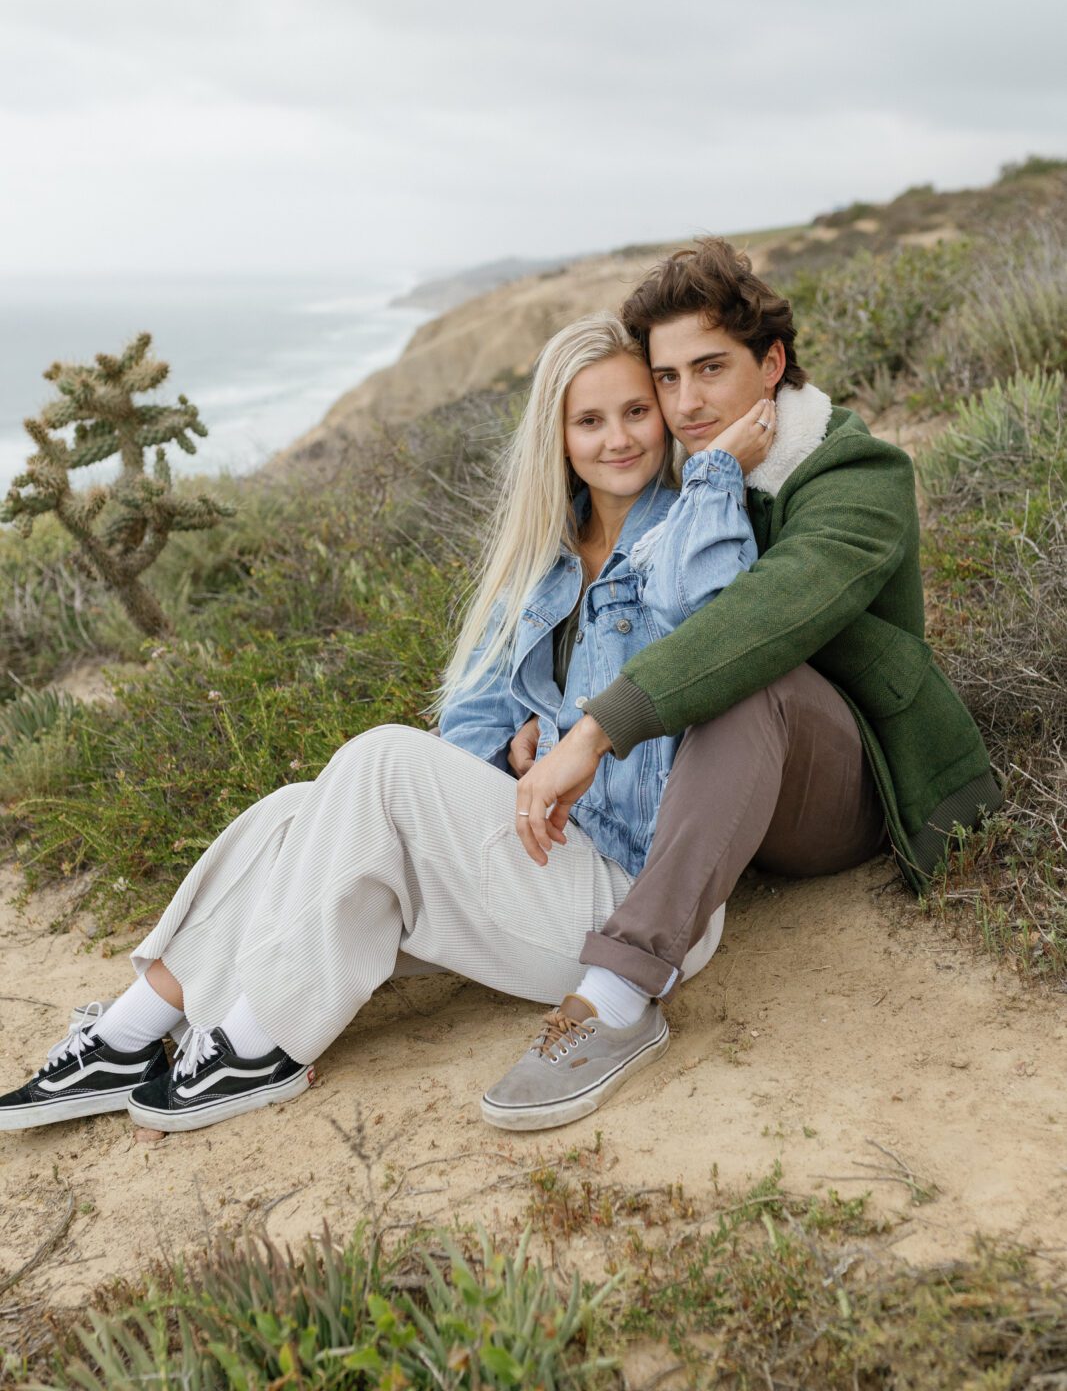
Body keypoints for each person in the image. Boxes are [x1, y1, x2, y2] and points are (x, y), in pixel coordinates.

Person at [0, 312, 770, 1136]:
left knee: (381, 763)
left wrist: (715, 470)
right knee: (304, 805)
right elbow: (467, 738)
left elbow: (722, 652)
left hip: (638, 909)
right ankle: (127, 1034)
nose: (617, 439)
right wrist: (497, 779)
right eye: (589, 419)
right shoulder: (540, 561)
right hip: (549, 869)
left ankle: (261, 1041)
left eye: (634, 412)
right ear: (558, 435)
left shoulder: (691, 532)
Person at [496, 237, 1002, 1127]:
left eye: (710, 369)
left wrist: (594, 732)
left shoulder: (851, 474)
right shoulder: (664, 481)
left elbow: (761, 619)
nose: (685, 403)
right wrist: (545, 718)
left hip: (841, 783)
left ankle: (618, 994)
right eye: (667, 377)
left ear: (770, 364)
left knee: (749, 678)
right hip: (710, 793)